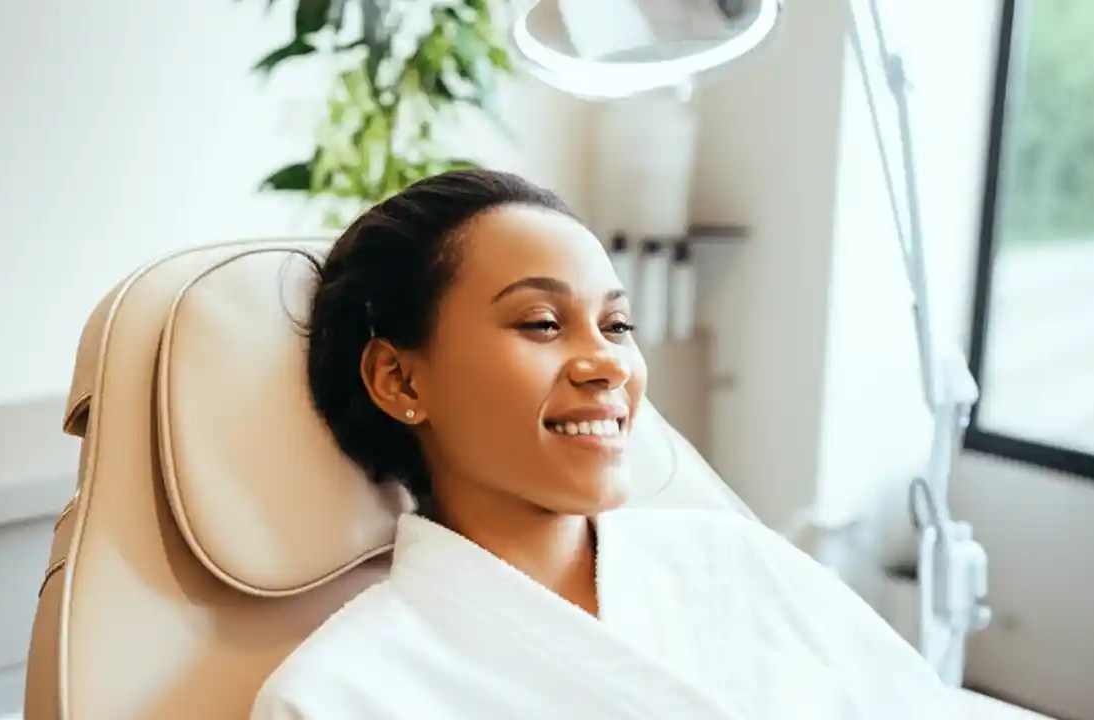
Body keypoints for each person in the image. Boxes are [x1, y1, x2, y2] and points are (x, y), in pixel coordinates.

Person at [251, 169, 956, 719]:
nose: (609, 363)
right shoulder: (335, 698)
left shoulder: (740, 562)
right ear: (400, 377)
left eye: (616, 327)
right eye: (541, 322)